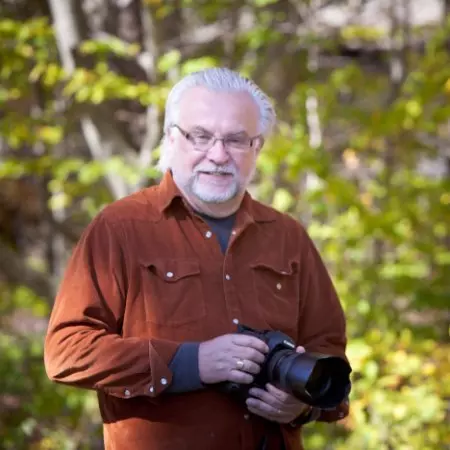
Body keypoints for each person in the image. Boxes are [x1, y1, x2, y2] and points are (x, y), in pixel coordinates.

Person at [44, 67, 351, 450]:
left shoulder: (288, 237)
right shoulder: (120, 228)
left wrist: (301, 406)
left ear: (257, 148)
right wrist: (192, 362)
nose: (218, 155)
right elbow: (67, 351)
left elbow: (330, 353)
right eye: (201, 136)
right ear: (171, 139)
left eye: (237, 140)